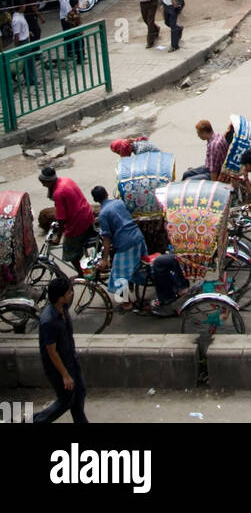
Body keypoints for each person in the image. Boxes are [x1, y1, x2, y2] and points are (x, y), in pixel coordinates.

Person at [33, 276, 88, 425]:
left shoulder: (62, 308)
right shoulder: (49, 321)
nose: (72, 294)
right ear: (60, 297)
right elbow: (52, 352)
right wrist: (65, 375)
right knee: (66, 400)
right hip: (59, 368)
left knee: (80, 393)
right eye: (69, 292)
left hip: (71, 359)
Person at [90, 185, 145, 309]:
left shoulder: (103, 214)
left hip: (126, 244)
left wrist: (105, 259)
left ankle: (127, 304)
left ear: (95, 200)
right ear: (107, 193)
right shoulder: (118, 202)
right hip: (137, 237)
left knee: (118, 276)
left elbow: (107, 238)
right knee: (138, 267)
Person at [38, 167, 97, 274]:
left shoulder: (58, 193)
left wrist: (58, 237)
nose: (43, 185)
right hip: (87, 215)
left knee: (69, 252)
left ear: (49, 181)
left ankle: (83, 275)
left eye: (44, 183)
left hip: (78, 223)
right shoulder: (66, 180)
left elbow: (62, 218)